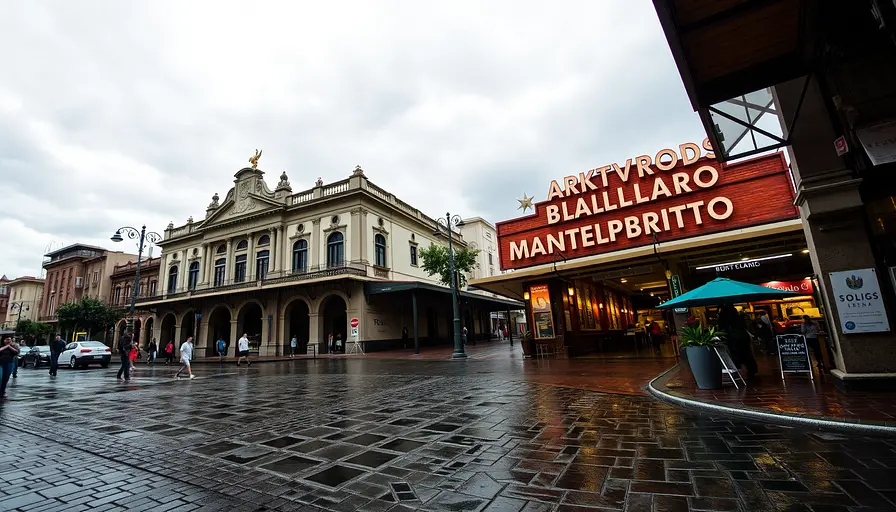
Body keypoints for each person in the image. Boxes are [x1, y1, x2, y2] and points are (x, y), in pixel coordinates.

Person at [718, 305, 758, 379]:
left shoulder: (725, 318)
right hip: (743, 337)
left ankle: (735, 372)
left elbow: (722, 326)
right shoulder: (738, 317)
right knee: (746, 354)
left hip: (733, 339)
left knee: (734, 355)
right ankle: (751, 370)